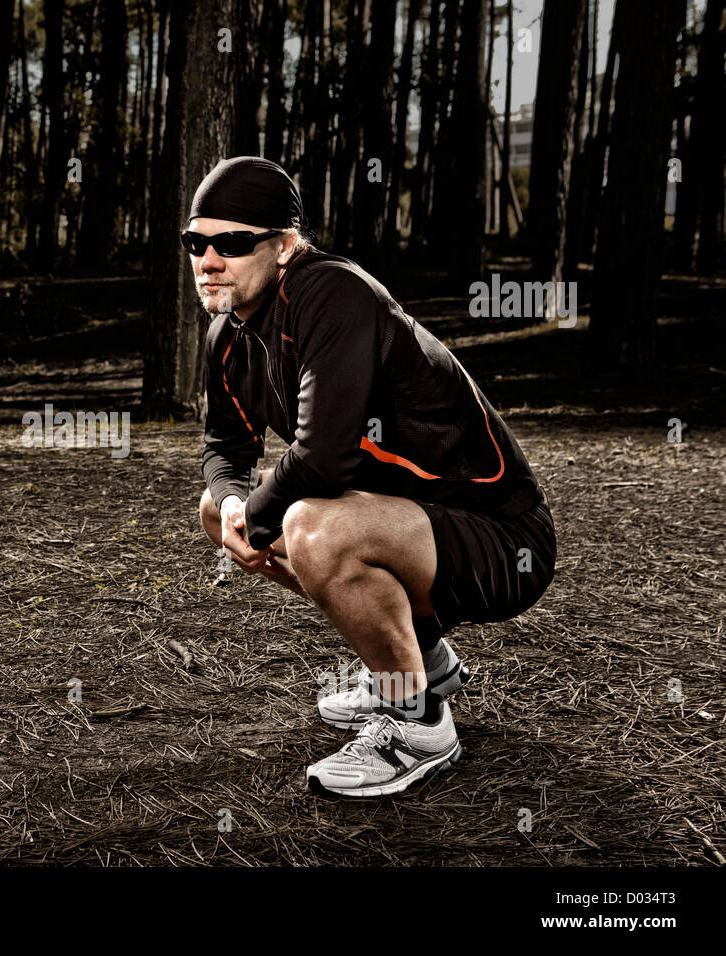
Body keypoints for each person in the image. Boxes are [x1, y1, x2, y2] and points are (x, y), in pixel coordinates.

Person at [190, 156, 556, 798]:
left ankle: (417, 724)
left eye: (232, 242)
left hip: (503, 538)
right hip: (408, 523)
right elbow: (225, 445)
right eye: (196, 242)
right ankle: (425, 663)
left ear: (283, 247)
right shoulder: (230, 332)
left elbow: (321, 457)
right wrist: (230, 506)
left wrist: (257, 516)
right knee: (218, 509)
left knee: (309, 526)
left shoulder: (331, 293)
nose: (209, 259)